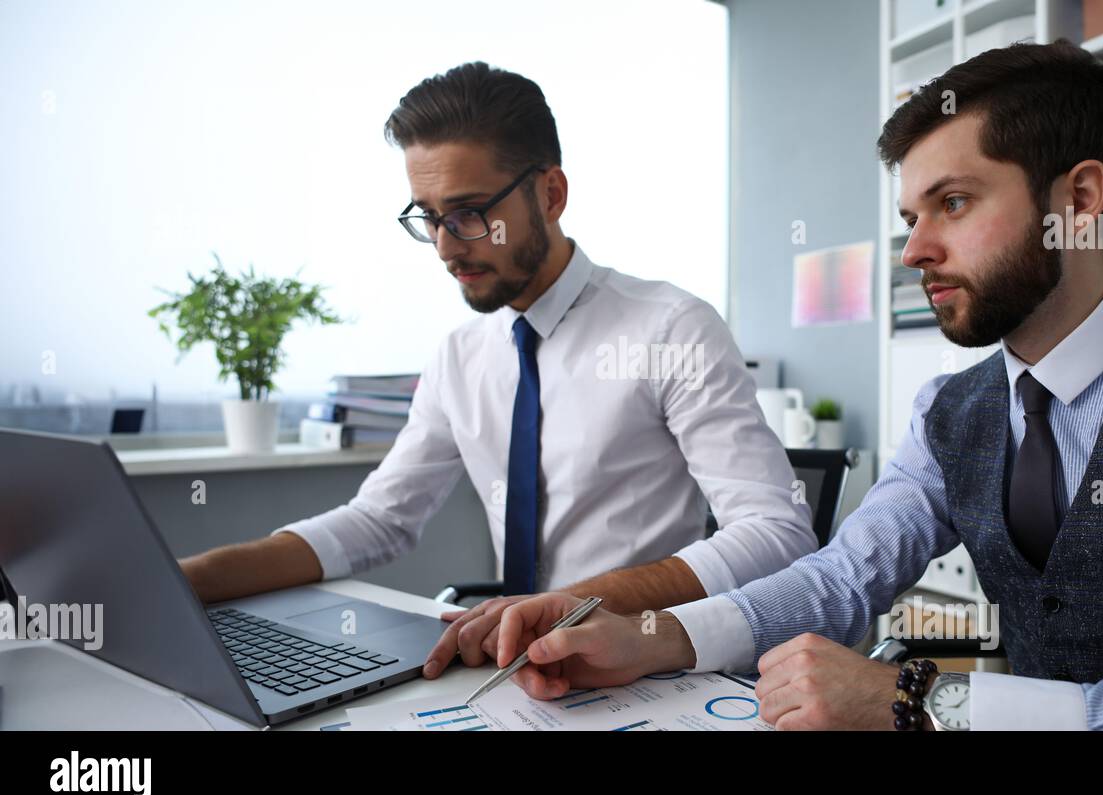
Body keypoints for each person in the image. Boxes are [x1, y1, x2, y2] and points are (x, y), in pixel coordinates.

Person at [492, 41, 1103, 730]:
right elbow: (844, 576)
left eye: (953, 202)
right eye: (912, 215)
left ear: (1079, 201)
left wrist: (929, 702)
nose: (913, 251)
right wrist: (652, 634)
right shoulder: (951, 411)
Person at [180, 62, 816, 681]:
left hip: (643, 667)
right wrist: (189, 578)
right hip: (512, 672)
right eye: (428, 217)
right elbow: (381, 519)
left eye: (469, 213)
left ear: (552, 194)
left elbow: (775, 532)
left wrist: (579, 604)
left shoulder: (670, 327)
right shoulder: (460, 356)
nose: (446, 246)